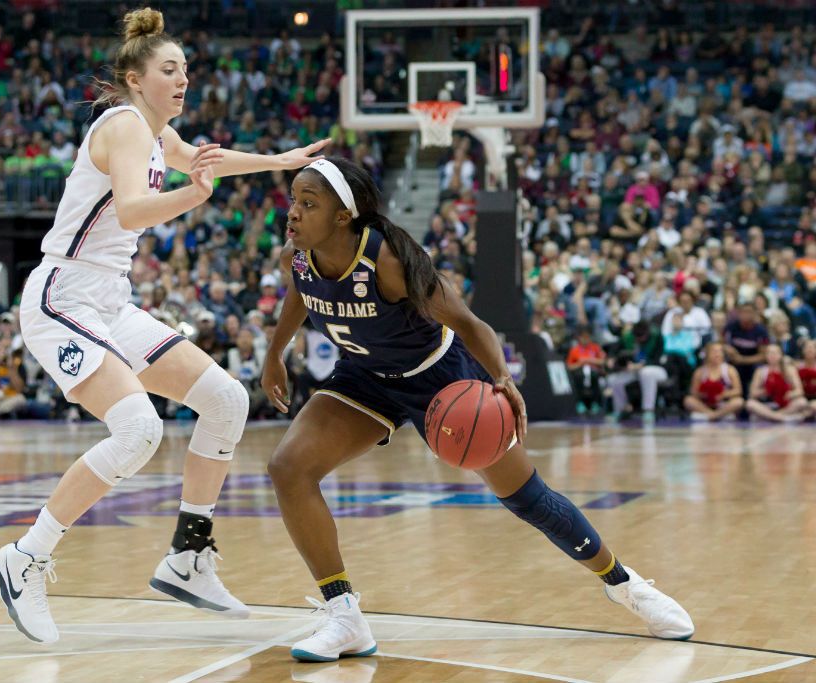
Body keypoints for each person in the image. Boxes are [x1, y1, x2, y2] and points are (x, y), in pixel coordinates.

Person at [260, 157, 693, 663]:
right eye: (294, 199)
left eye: (308, 204)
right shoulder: (298, 254)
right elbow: (300, 292)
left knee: (527, 498)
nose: (293, 212)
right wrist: (274, 354)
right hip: (365, 377)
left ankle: (626, 585)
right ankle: (345, 617)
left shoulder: (390, 261)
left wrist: (503, 380)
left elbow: (470, 323)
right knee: (288, 468)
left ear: (342, 217)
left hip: (441, 379)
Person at [0, 7, 328, 644]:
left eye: (187, 70)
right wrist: (192, 196)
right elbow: (139, 206)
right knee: (139, 429)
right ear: (135, 78)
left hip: (109, 301)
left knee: (225, 400)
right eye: (170, 69)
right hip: (64, 296)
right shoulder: (122, 126)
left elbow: (205, 160)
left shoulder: (153, 131)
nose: (183, 80)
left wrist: (278, 162)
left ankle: (187, 556)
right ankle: (25, 557)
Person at [744, 343, 810, 423]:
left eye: (775, 353)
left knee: (802, 402)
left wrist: (787, 393)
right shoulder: (761, 371)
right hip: (768, 404)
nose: (772, 355)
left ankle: (772, 416)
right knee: (750, 404)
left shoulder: (789, 370)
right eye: (769, 353)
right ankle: (781, 418)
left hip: (785, 404)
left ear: (780, 355)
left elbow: (799, 391)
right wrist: (768, 390)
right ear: (766, 355)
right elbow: (752, 393)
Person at [682, 342, 745, 421]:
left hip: (723, 404)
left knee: (739, 401)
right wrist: (705, 394)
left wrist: (723, 395)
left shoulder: (730, 370)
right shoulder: (700, 371)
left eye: (720, 351)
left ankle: (713, 415)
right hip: (705, 404)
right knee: (688, 400)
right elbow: (693, 392)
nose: (717, 354)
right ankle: (713, 415)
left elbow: (738, 391)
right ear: (707, 354)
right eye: (714, 351)